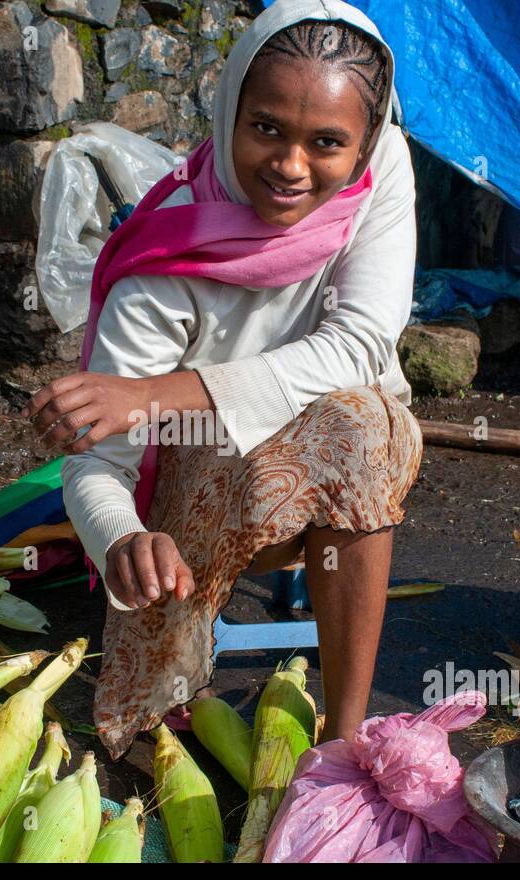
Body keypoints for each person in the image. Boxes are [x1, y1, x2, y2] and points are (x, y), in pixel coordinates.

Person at [24, 0, 421, 760]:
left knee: (368, 424)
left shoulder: (384, 175)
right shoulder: (167, 258)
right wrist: (124, 539)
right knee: (151, 716)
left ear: (366, 144)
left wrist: (154, 394)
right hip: (206, 488)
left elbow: (362, 342)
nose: (291, 165)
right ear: (230, 106)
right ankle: (178, 663)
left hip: (342, 478)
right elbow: (96, 465)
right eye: (266, 127)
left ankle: (344, 740)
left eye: (327, 142)